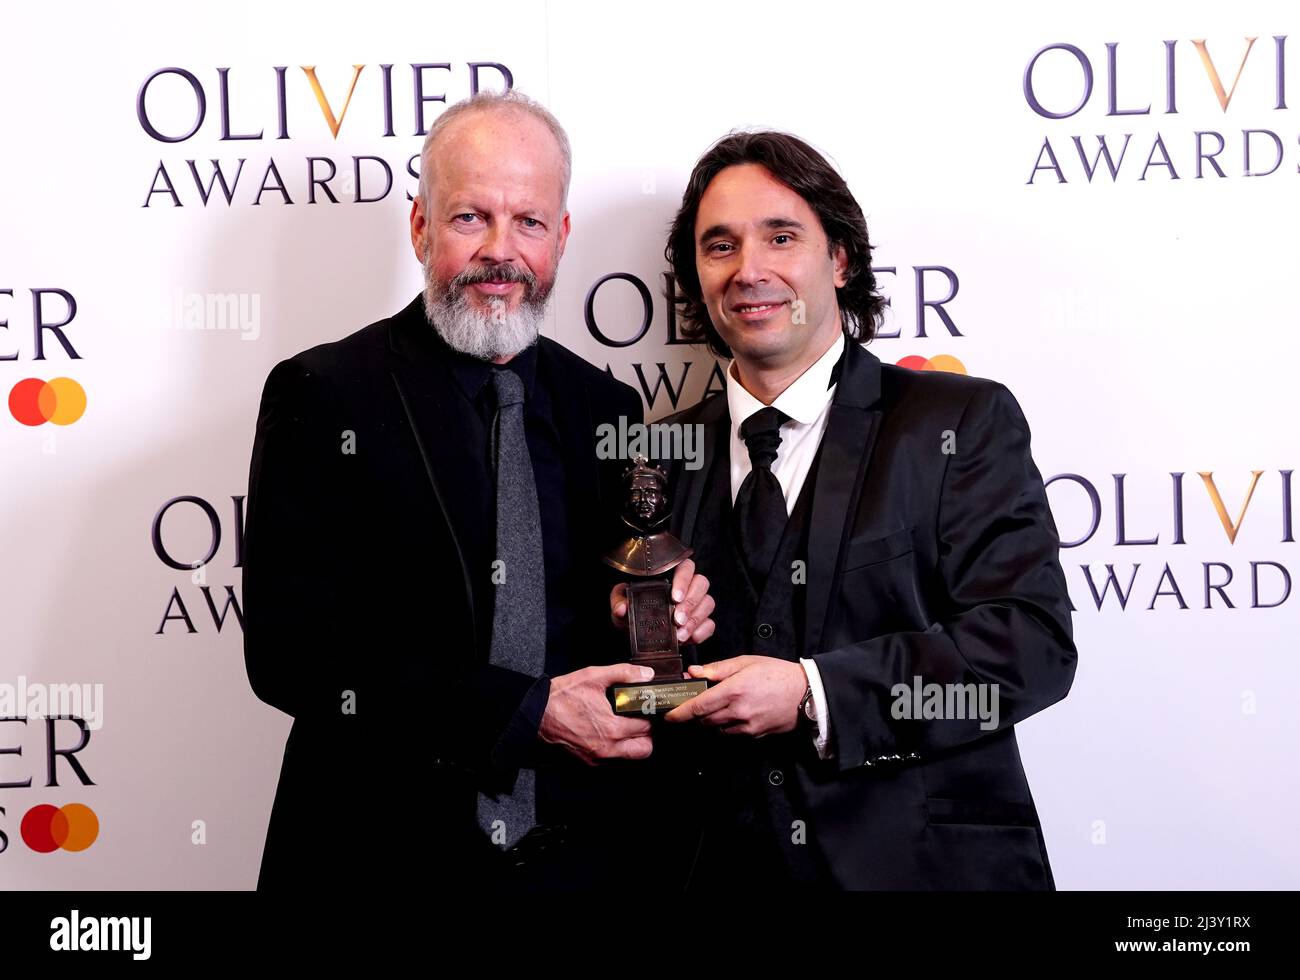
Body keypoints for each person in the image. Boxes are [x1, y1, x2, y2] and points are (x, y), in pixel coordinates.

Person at [242, 89, 714, 892]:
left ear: (560, 237)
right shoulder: (324, 392)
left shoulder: (609, 408)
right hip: (380, 856)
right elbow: (291, 654)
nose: (502, 252)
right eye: (471, 218)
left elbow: (623, 640)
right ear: (421, 224)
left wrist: (656, 623)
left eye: (528, 222)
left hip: (583, 863)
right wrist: (523, 714)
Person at [629, 130, 1077, 889]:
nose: (750, 270)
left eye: (781, 236)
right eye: (720, 246)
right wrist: (642, 636)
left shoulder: (957, 422)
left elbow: (1030, 648)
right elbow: (640, 683)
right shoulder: (653, 458)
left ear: (839, 259)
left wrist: (815, 692)